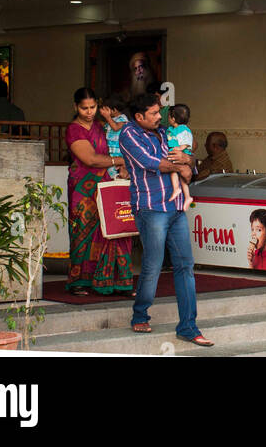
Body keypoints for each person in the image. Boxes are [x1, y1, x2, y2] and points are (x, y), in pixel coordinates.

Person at [118, 92, 212, 344]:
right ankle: (140, 315)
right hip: (151, 208)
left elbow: (189, 160)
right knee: (153, 264)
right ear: (138, 116)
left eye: (159, 112)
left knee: (185, 265)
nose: (160, 116)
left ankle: (188, 327)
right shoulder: (128, 134)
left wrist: (188, 161)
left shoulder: (162, 132)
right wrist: (182, 166)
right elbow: (150, 162)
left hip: (177, 207)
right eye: (154, 113)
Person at [65, 87, 133, 297]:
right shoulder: (74, 130)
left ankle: (117, 281)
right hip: (83, 189)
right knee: (82, 232)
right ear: (75, 107)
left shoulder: (102, 126)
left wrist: (123, 167)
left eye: (92, 107)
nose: (89, 112)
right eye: (84, 108)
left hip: (107, 183)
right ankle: (80, 281)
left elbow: (118, 145)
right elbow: (91, 159)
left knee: (115, 230)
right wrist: (120, 161)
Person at [164, 102, 196, 209]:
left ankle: (176, 188)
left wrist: (180, 149)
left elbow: (187, 142)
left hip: (181, 154)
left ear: (173, 119)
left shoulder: (183, 129)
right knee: (181, 177)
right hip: (176, 153)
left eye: (168, 116)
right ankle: (187, 197)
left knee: (173, 170)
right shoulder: (172, 129)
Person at [98, 93, 129, 179]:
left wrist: (108, 118)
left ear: (114, 109)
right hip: (110, 151)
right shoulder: (111, 120)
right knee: (111, 170)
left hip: (119, 151)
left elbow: (116, 128)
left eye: (106, 109)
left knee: (121, 171)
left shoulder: (122, 118)